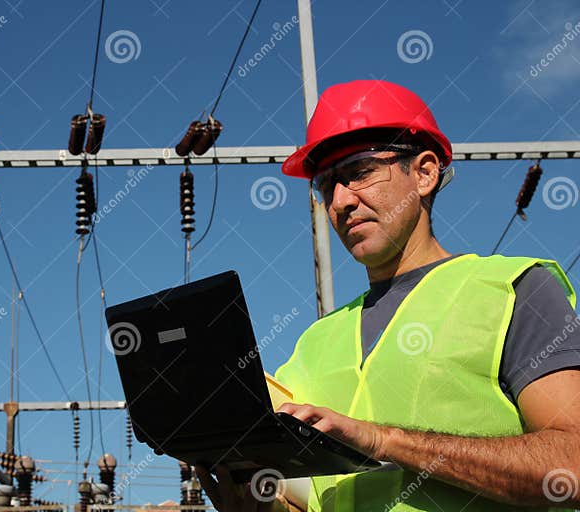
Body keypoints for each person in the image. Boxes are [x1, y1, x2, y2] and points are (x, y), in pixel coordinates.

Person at [195, 80, 580, 512]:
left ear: (425, 173)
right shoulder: (315, 344)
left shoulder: (512, 291)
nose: (340, 201)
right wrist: (257, 503)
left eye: (359, 172)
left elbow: (573, 465)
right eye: (326, 185)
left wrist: (384, 440)